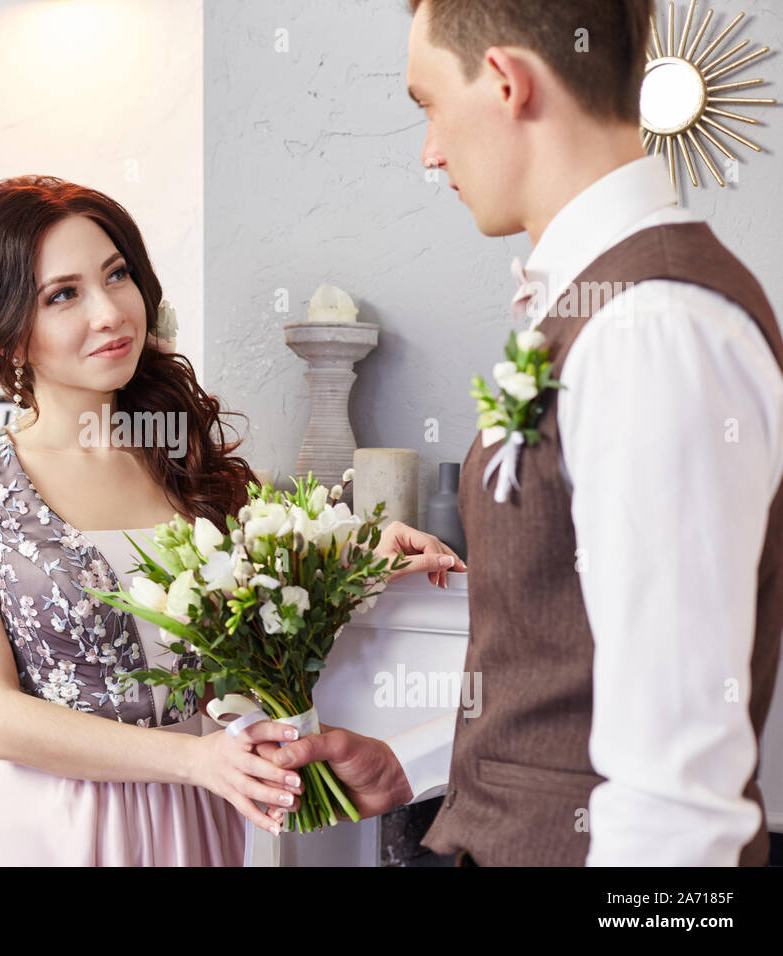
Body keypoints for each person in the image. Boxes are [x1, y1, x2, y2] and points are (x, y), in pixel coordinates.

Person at [263, 0, 783, 867]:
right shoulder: (600, 304)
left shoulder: (651, 327)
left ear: (506, 82)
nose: (429, 150)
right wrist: (416, 763)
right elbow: (563, 660)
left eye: (427, 103)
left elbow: (677, 793)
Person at [0, 175, 459, 866]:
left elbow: (261, 590)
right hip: (38, 831)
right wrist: (193, 762)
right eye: (63, 294)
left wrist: (363, 555)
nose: (110, 312)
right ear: (10, 333)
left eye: (117, 275)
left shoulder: (178, 455)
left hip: (187, 824)